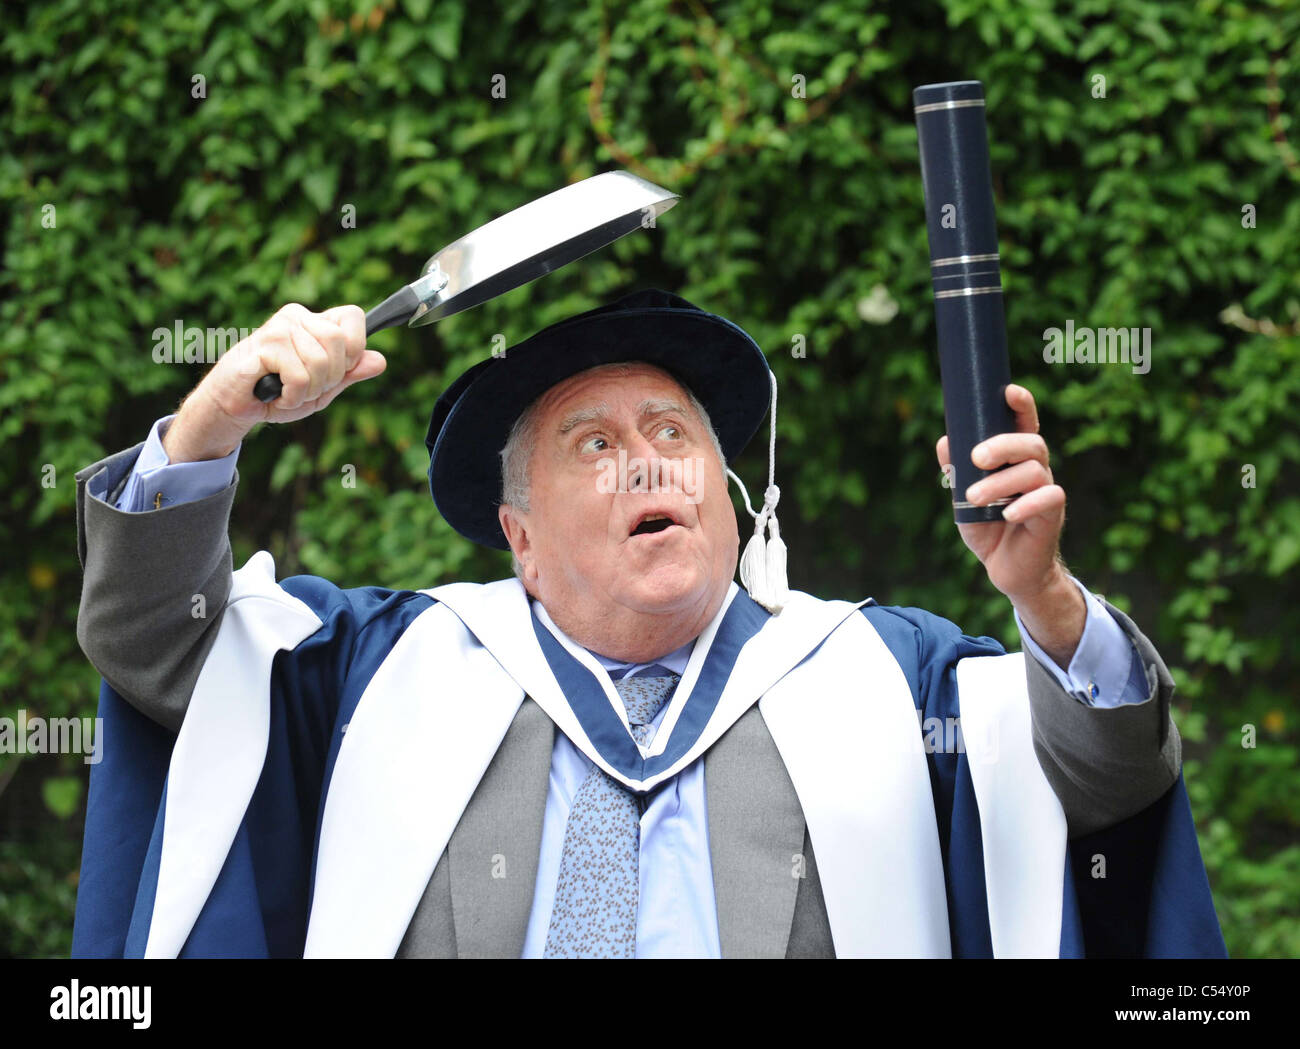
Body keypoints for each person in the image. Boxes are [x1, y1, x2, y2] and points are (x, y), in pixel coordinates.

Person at [71, 289, 1226, 958]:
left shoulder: (890, 673)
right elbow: (155, 640)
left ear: (730, 496)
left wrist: (1044, 595)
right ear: (518, 536)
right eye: (595, 444)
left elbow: (1112, 782)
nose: (648, 461)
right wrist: (209, 424)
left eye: (675, 434)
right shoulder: (379, 667)